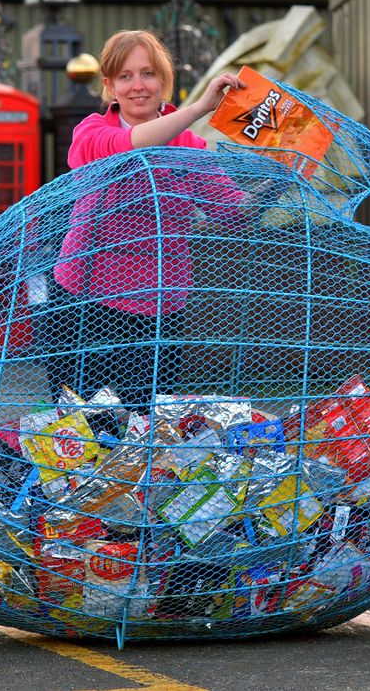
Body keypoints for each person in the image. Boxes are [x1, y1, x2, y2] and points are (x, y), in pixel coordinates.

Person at [44, 30, 248, 410]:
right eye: (125, 76)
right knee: (81, 433)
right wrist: (200, 107)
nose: (138, 86)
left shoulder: (190, 148)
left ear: (164, 81)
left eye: (149, 74)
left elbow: (234, 213)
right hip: (83, 307)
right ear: (109, 86)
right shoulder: (91, 133)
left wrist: (281, 169)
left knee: (145, 433)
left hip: (158, 315)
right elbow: (132, 144)